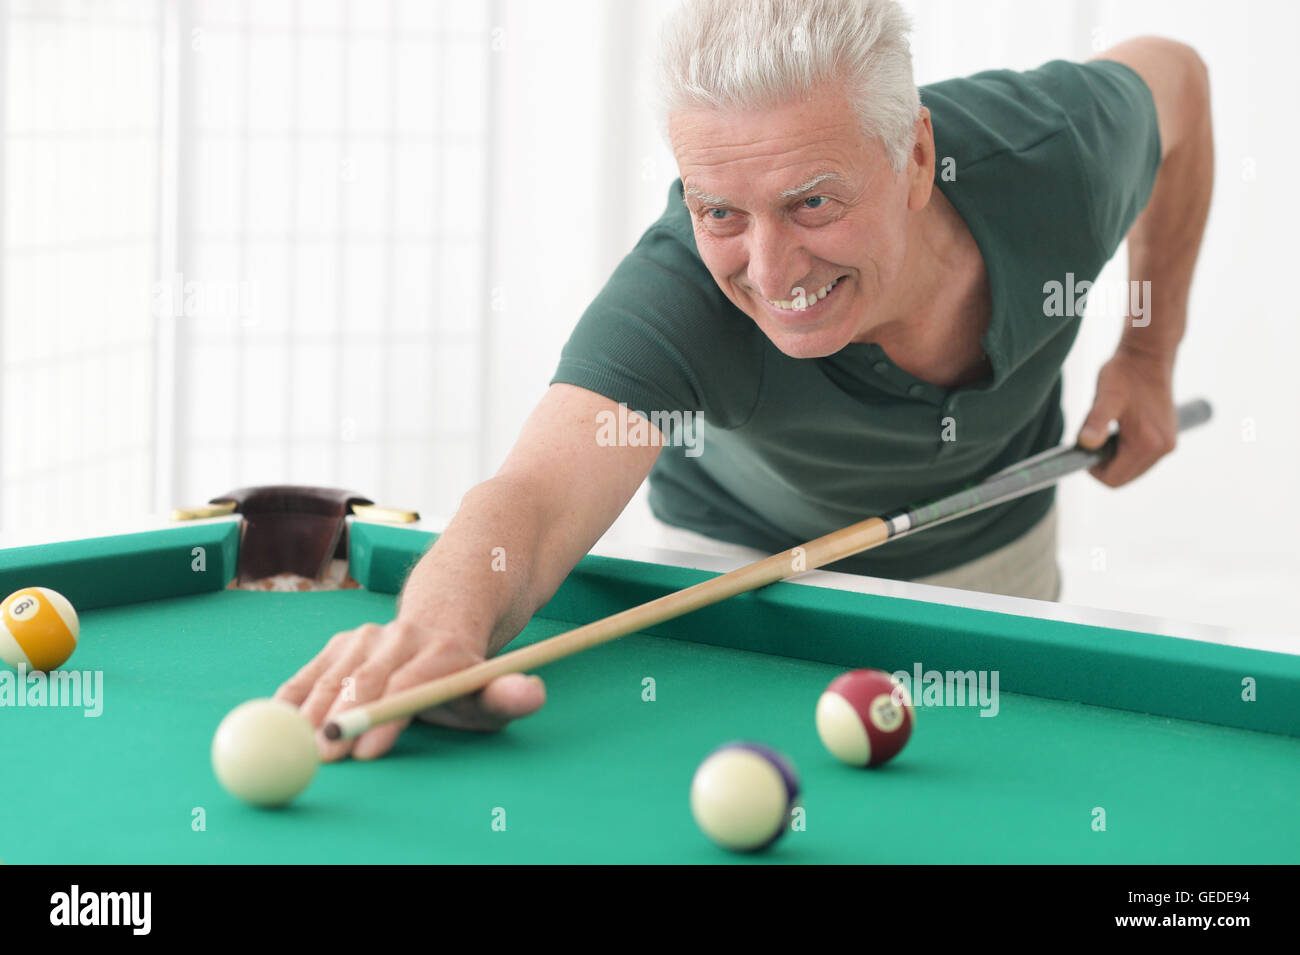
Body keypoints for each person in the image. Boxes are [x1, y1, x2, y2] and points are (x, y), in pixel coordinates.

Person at [278, 0, 1212, 760]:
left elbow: (1180, 77)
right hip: (737, 577)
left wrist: (1146, 354)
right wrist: (442, 627)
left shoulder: (1055, 156)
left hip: (990, 547)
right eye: (721, 210)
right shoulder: (685, 291)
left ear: (917, 155)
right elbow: (531, 495)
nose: (769, 273)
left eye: (813, 201)